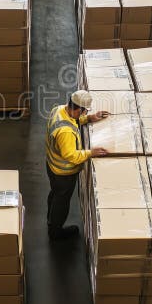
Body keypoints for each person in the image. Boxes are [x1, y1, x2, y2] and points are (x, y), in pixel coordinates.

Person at [45, 90, 109, 240]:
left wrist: (89, 118)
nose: (84, 113)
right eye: (85, 111)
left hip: (51, 166)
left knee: (55, 194)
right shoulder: (65, 132)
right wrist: (90, 153)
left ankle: (50, 220)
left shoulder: (59, 110)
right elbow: (71, 156)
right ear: (79, 109)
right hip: (63, 174)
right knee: (62, 202)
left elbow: (73, 120)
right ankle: (56, 232)